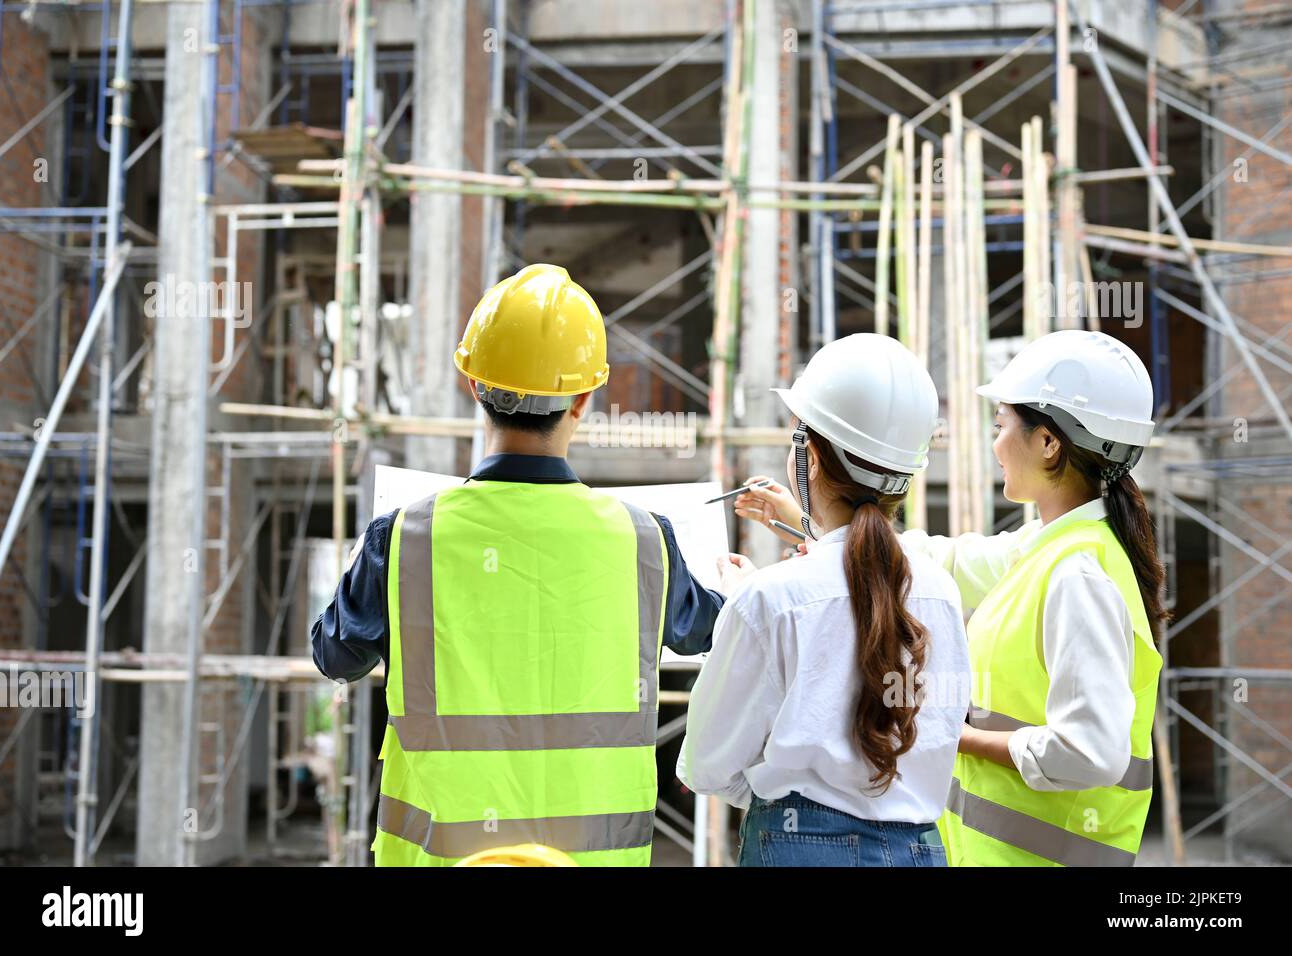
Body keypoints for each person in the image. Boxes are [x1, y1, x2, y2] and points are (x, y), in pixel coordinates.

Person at [311, 263, 725, 866]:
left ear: (474, 386)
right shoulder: (644, 542)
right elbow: (710, 632)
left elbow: (335, 656)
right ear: (585, 398)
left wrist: (366, 565)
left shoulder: (402, 539)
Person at [735, 329, 1166, 867]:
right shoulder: (1051, 548)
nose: (994, 444)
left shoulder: (1077, 573)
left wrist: (955, 737)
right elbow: (936, 561)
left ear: (1049, 442)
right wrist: (808, 524)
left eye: (1000, 425)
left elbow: (1091, 753)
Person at [677, 333, 971, 867]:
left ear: (808, 458)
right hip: (921, 850)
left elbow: (705, 766)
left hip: (796, 846)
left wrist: (785, 786)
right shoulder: (941, 594)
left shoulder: (771, 599)